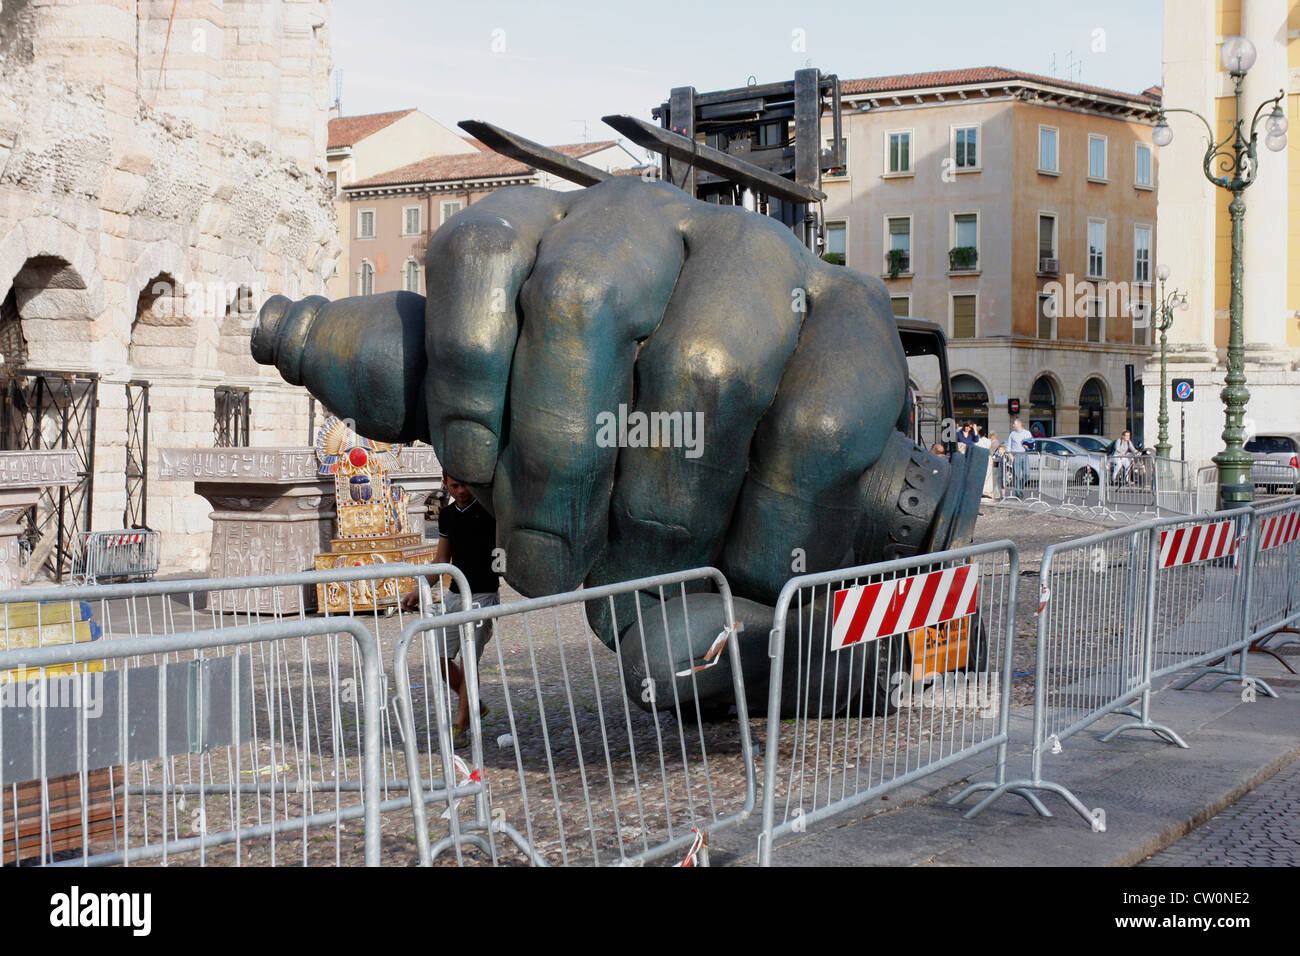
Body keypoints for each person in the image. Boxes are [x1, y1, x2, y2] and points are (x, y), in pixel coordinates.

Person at [401, 475, 501, 739]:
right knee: (440, 658)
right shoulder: (446, 515)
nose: (461, 490)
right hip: (454, 595)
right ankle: (473, 704)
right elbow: (442, 560)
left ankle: (460, 724)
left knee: (469, 660)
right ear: (445, 484)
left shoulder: (491, 510)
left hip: (483, 596)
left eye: (465, 483)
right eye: (454, 485)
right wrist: (418, 590)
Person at [1007, 418, 1034, 497]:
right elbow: (1008, 446)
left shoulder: (1027, 433)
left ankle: (1020, 488)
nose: (1013, 425)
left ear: (1019, 424)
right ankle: (1018, 492)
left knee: (1027, 474)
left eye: (1014, 424)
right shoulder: (1012, 434)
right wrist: (1010, 455)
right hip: (1016, 455)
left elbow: (1032, 445)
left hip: (1025, 455)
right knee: (1017, 475)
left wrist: (1028, 446)